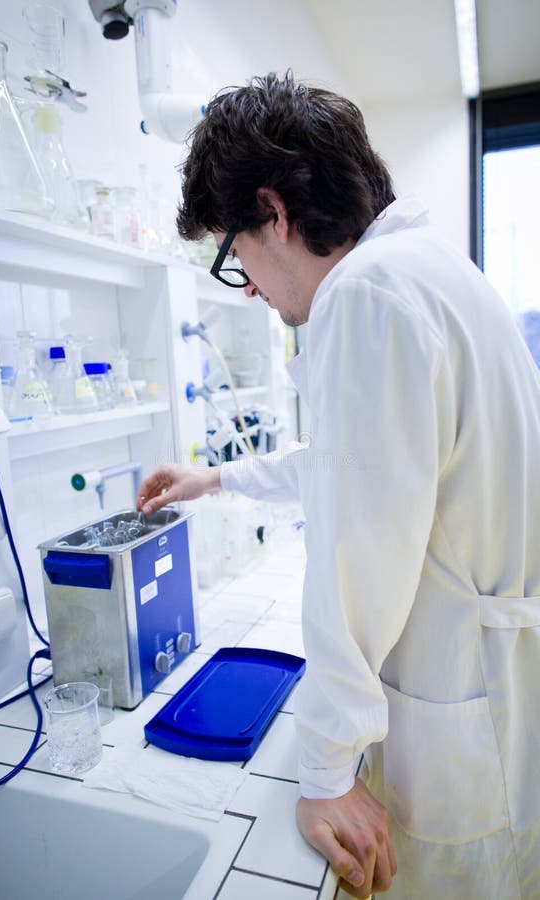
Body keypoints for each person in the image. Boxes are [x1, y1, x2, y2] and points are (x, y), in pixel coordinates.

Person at [136, 72, 540, 898]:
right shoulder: (421, 270)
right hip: (489, 688)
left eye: (232, 252)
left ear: (273, 214)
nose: (244, 283)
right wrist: (215, 476)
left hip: (460, 709)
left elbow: (357, 554)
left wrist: (323, 767)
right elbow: (356, 467)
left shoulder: (366, 293)